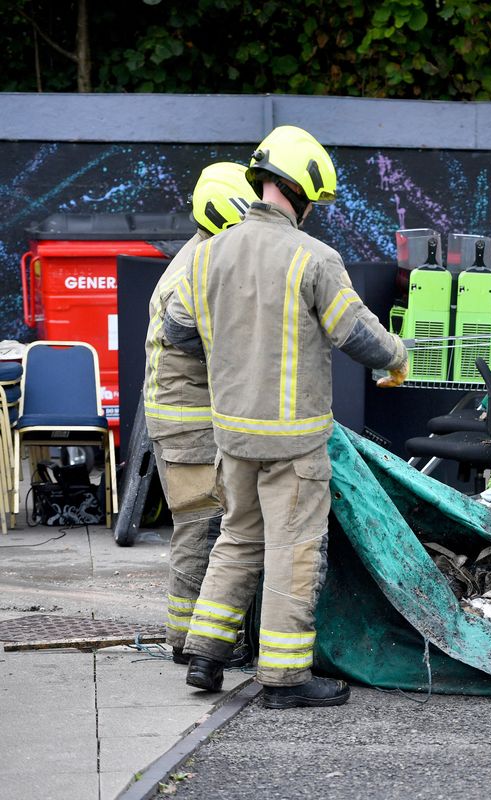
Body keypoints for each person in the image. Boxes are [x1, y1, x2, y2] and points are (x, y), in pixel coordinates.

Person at [164, 125, 409, 709]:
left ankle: (206, 654)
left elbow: (176, 331)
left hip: (231, 437)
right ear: (299, 191)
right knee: (294, 549)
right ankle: (284, 678)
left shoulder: (208, 255)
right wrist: (397, 357)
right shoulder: (314, 258)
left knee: (238, 538)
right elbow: (357, 334)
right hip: (293, 445)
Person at [143, 162, 255, 665]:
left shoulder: (200, 256)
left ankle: (194, 636)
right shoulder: (198, 268)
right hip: (188, 422)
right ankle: (191, 641)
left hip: (184, 415)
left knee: (205, 527)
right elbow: (205, 342)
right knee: (200, 528)